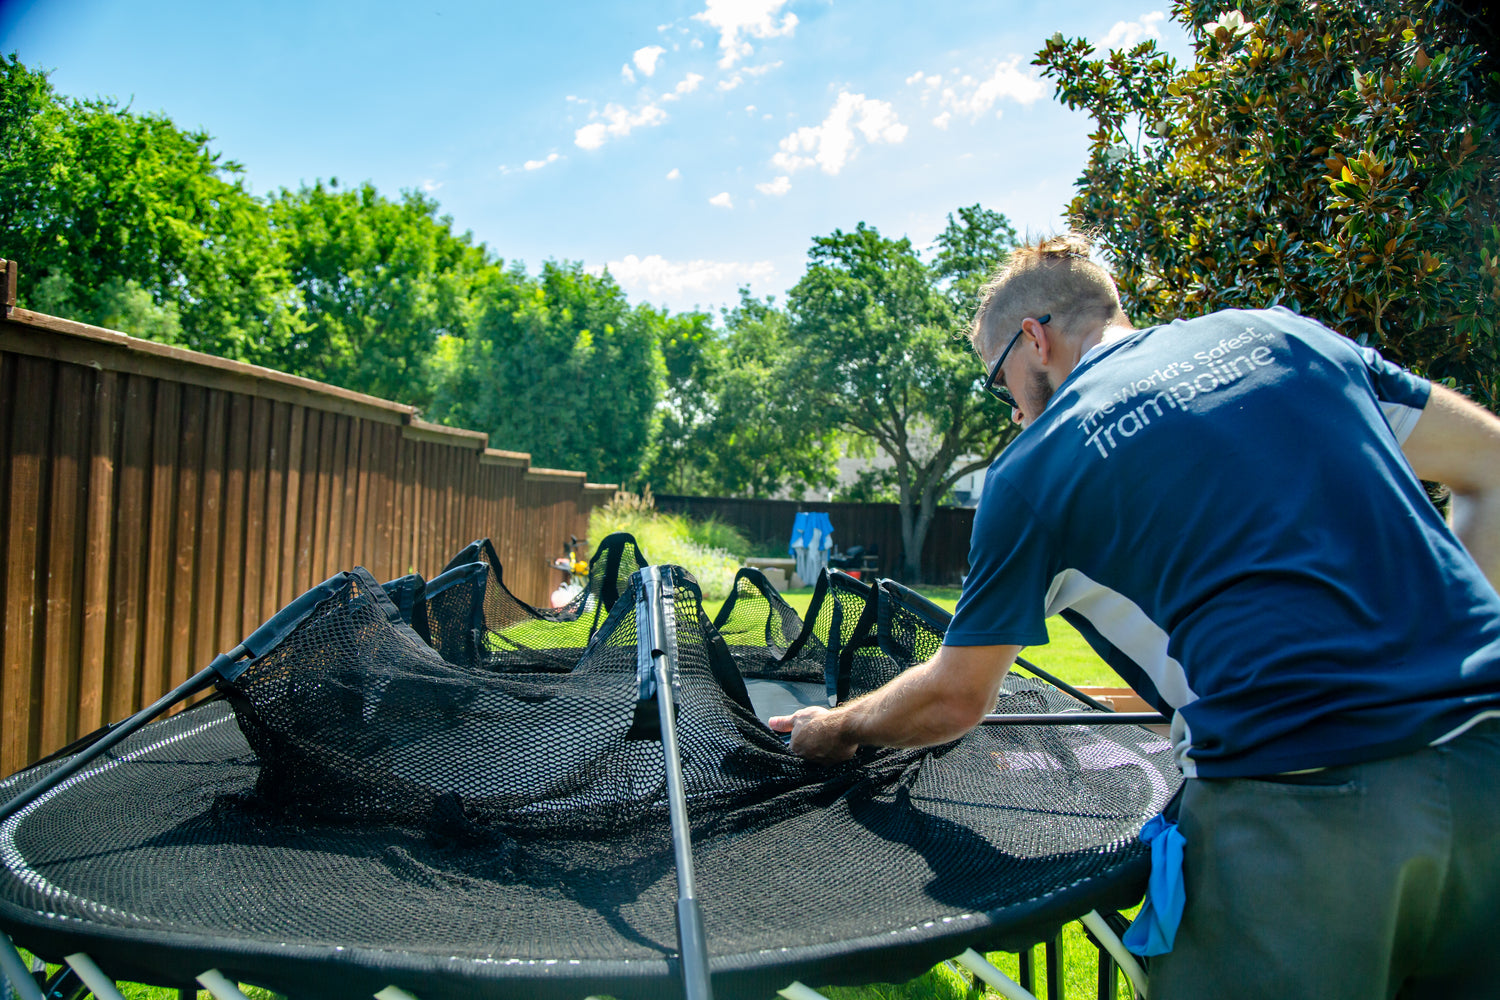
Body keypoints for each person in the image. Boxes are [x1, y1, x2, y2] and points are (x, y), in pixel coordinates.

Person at [769, 234, 1500, 999]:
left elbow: (957, 695)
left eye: (1000, 384)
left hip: (1299, 799)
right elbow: (1490, 466)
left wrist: (838, 727)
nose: (1012, 406)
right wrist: (1444, 664)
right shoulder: (1290, 336)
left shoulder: (1038, 467)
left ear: (1035, 339)